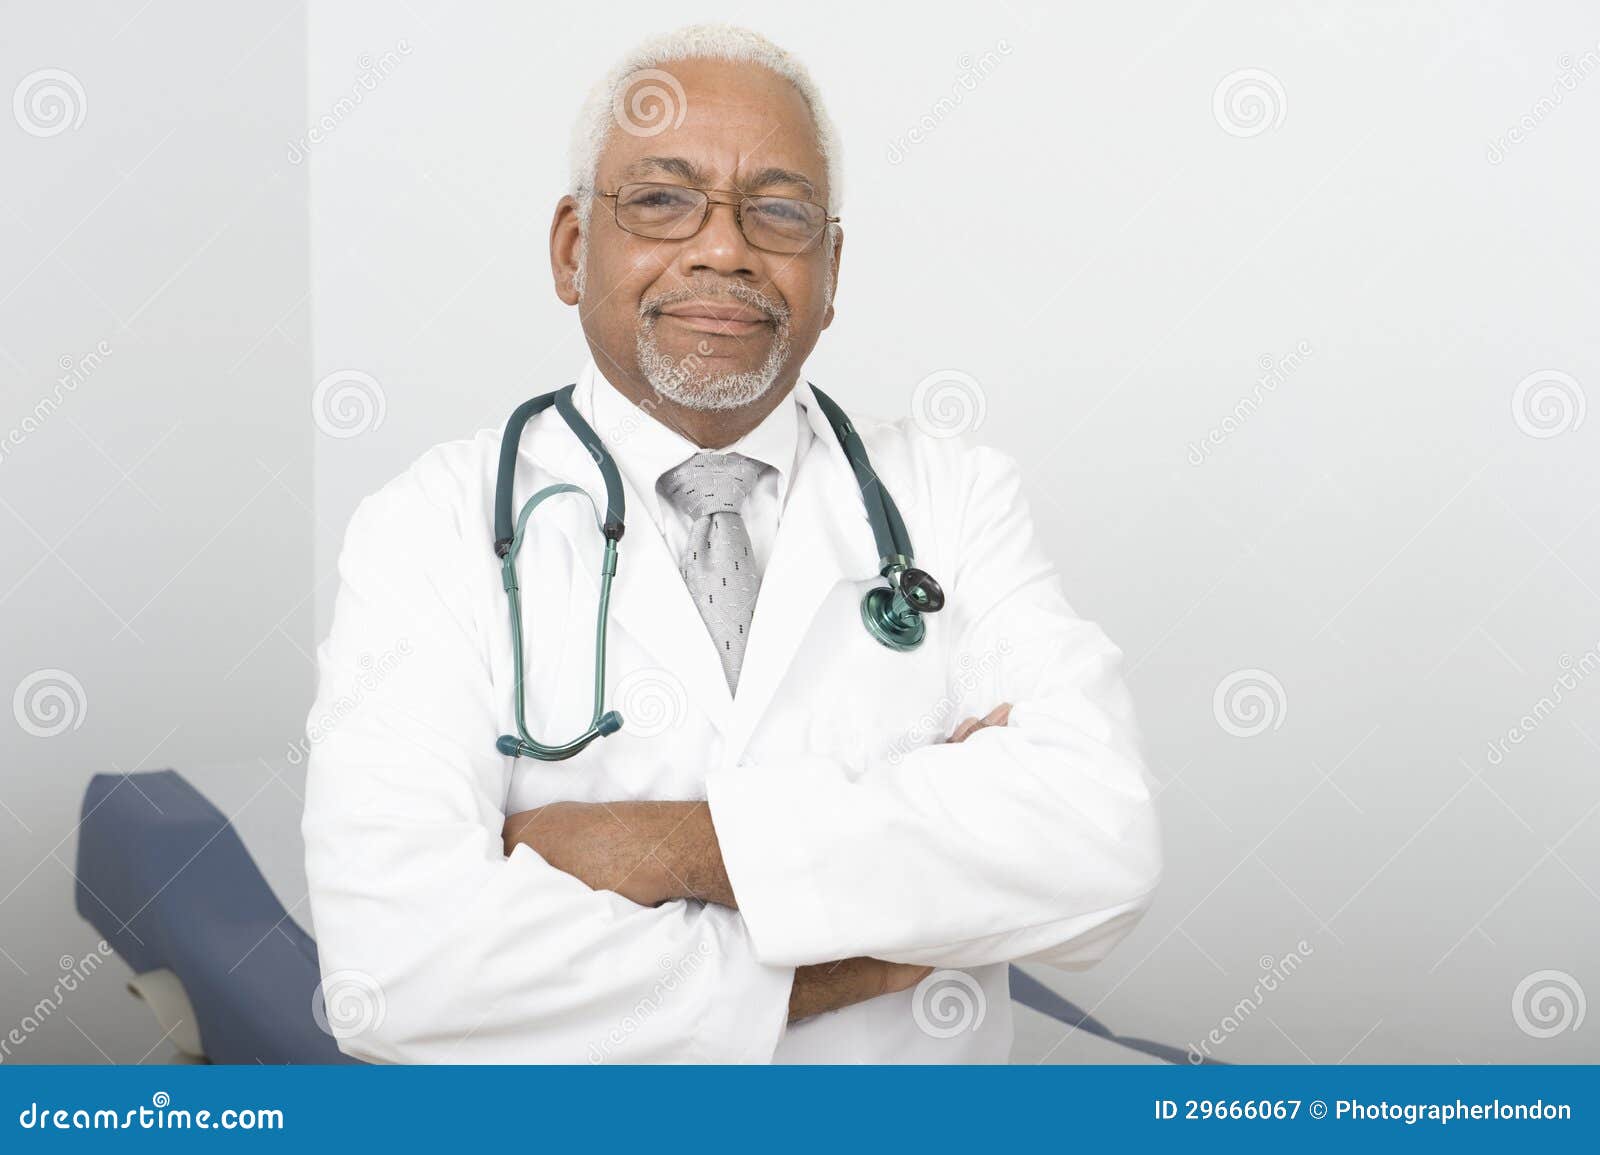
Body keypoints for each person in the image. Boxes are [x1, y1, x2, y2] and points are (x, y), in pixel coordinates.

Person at [301, 23, 1161, 1063]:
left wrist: (656, 843)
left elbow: (1097, 841)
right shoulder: (429, 527)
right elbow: (400, 977)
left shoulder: (952, 496)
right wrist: (877, 955)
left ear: (830, 270)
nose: (723, 248)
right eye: (662, 200)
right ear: (575, 250)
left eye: (779, 212)